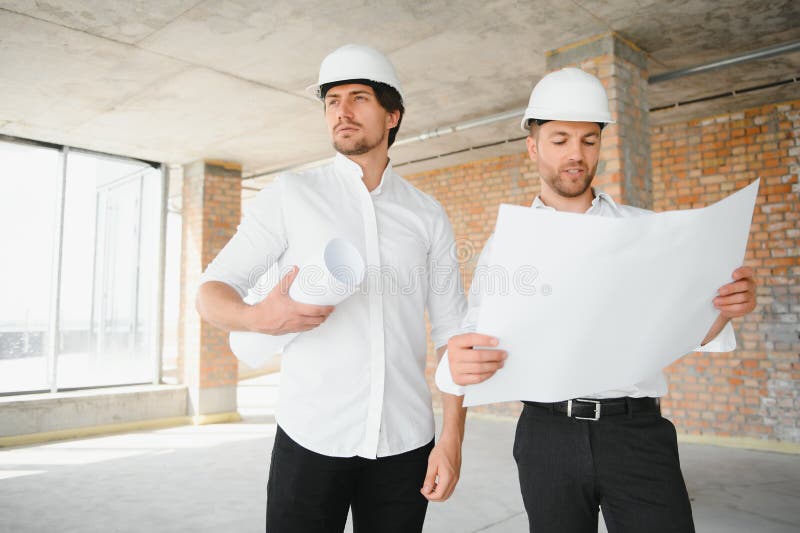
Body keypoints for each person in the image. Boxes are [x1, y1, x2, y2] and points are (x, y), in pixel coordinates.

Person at [438, 67, 757, 533]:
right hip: (547, 436)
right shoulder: (506, 247)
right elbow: (470, 344)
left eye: (589, 140)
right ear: (533, 146)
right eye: (560, 139)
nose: (576, 155)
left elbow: (686, 330)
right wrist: (456, 369)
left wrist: (726, 308)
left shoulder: (643, 232)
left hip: (636, 434)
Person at [196, 44, 467, 533]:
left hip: (405, 443)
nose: (341, 111)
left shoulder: (426, 215)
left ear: (392, 115)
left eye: (359, 98)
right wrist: (260, 317)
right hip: (310, 439)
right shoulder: (290, 195)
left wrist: (451, 439)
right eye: (331, 100)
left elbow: (453, 334)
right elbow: (210, 292)